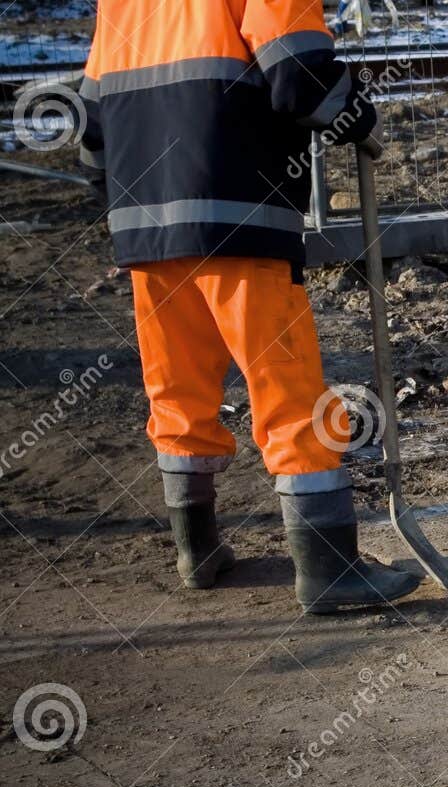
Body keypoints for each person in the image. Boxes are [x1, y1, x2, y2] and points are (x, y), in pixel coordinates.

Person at [79, 0, 421, 613]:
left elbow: (92, 124)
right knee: (286, 388)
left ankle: (197, 550)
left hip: (144, 221)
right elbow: (299, 75)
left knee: (176, 386)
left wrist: (124, 196)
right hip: (238, 209)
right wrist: (357, 116)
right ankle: (328, 569)